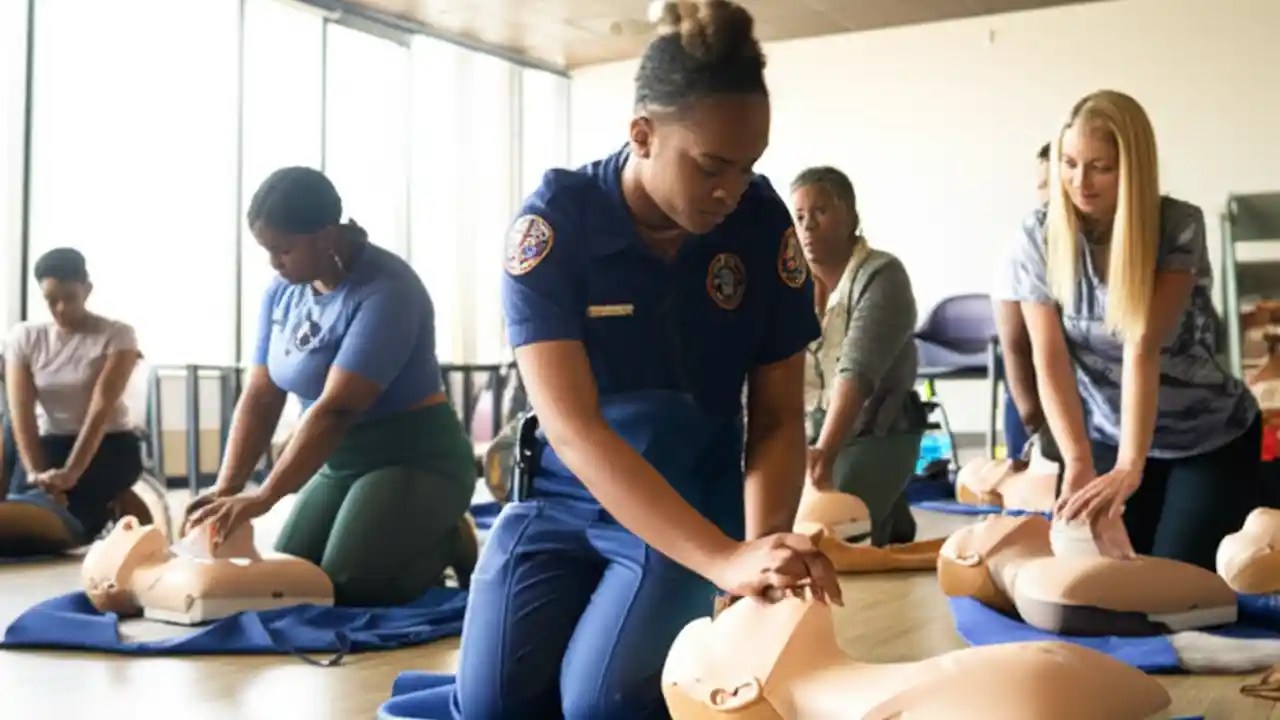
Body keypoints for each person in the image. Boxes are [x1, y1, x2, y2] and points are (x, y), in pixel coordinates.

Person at [444, 2, 842, 717]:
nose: (731, 190)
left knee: (603, 704)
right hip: (562, 497)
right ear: (642, 135)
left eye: (748, 166)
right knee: (488, 707)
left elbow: (780, 416)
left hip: (691, 499)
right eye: (712, 166)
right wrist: (723, 560)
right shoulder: (554, 224)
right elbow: (574, 430)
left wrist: (750, 557)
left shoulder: (758, 224)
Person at [184, 166, 475, 607]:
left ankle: (446, 538)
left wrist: (264, 496)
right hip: (340, 463)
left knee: (348, 585)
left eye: (283, 249)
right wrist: (227, 487)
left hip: (415, 458)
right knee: (300, 577)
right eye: (267, 250)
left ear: (325, 236)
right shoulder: (282, 292)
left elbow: (336, 410)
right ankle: (405, 532)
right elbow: (262, 394)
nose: (273, 263)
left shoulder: (388, 290)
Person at [996, 89, 1262, 570]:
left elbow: (1142, 344)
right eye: (1070, 163)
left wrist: (1129, 468)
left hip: (1204, 439)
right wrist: (1078, 462)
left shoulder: (1178, 225)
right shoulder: (1036, 237)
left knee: (1173, 579)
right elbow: (1048, 356)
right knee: (1096, 572)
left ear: (1133, 166)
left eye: (1101, 166)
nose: (1081, 181)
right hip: (1104, 434)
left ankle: (1259, 489)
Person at [792, 166, 925, 547]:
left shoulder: (883, 275)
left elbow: (858, 370)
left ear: (849, 214)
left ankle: (879, 501)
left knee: (825, 534)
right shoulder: (787, 282)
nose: (808, 226)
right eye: (799, 217)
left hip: (874, 430)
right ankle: (887, 508)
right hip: (806, 435)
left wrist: (824, 454)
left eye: (820, 212)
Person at [4, 248, 143, 541]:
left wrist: (71, 474)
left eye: (70, 297)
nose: (61, 308)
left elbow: (101, 409)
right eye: (51, 300)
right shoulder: (25, 337)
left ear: (87, 290)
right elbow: (21, 410)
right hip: (50, 444)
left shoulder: (118, 335)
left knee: (65, 525)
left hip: (107, 445)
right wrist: (36, 473)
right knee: (24, 511)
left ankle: (100, 511)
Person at [994, 142, 1052, 461]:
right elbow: (1014, 344)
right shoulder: (1024, 246)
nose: (1048, 196)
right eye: (1042, 186)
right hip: (1039, 392)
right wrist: (1034, 419)